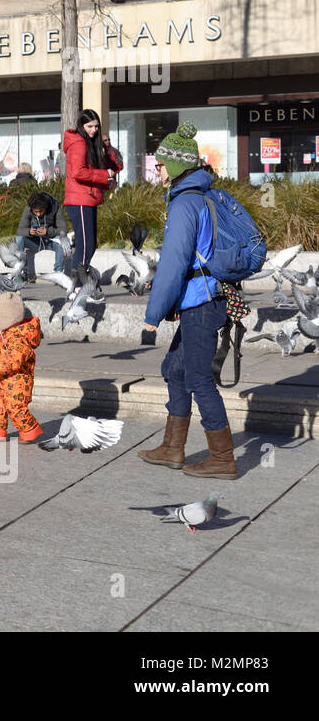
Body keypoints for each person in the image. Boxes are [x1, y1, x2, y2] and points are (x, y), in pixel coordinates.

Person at [138, 122, 236, 480]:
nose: (157, 169)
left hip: (201, 302)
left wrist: (154, 314)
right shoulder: (200, 196)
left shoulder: (184, 204)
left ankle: (223, 458)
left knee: (197, 377)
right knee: (175, 370)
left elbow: (173, 263)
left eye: (161, 164)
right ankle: (173, 448)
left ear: (177, 166)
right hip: (204, 299)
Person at [63, 109, 122, 282]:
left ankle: (77, 282)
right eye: (89, 126)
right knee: (85, 245)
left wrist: (106, 181)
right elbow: (78, 173)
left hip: (87, 199)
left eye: (96, 126)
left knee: (90, 245)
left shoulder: (89, 144)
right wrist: (105, 175)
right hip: (79, 200)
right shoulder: (79, 144)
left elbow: (90, 173)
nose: (93, 130)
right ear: (81, 126)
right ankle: (78, 282)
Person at [0, 292, 43, 443]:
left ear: (6, 317)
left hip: (17, 381)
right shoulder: (8, 332)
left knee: (15, 407)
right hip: (2, 379)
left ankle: (30, 430)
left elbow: (15, 361)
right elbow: (6, 353)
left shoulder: (19, 337)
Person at [15, 191, 68, 282]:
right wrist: (29, 231)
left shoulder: (55, 208)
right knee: (19, 238)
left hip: (52, 241)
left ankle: (58, 274)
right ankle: (20, 272)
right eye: (36, 212)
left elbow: (64, 229)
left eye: (41, 211)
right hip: (35, 241)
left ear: (46, 207)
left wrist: (48, 232)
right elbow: (20, 230)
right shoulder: (28, 209)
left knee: (62, 243)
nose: (38, 214)